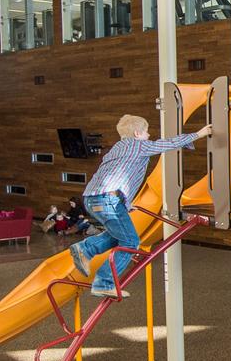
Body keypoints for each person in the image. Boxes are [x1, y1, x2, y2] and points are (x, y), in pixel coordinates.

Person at [73, 114, 214, 298]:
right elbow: (167, 144)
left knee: (118, 235)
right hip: (108, 200)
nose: (149, 136)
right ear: (138, 133)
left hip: (92, 199)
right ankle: (104, 282)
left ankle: (86, 249)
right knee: (131, 242)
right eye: (147, 132)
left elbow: (118, 175)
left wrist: (125, 203)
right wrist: (198, 134)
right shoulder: (138, 145)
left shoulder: (117, 148)